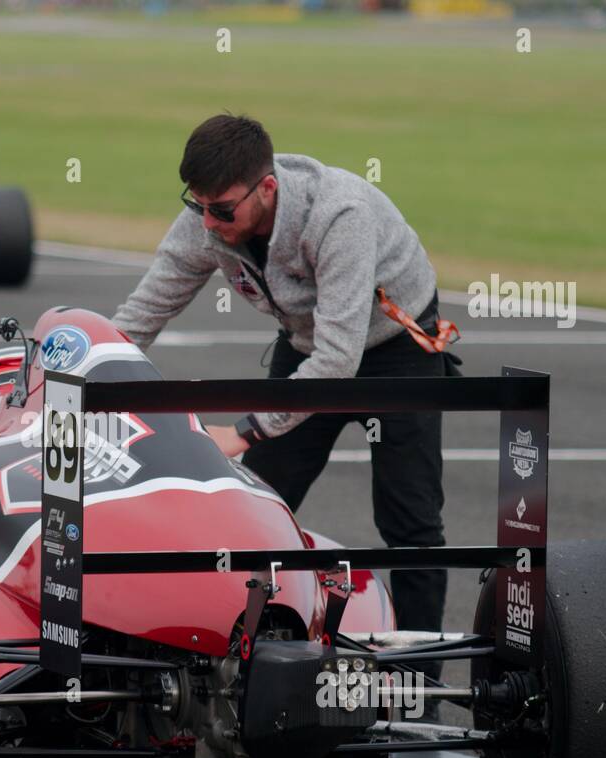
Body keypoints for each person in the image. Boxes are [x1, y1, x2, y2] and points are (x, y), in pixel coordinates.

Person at [110, 113, 461, 647]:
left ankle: (420, 687)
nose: (207, 222)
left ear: (267, 189)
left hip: (394, 354)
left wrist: (246, 430)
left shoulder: (339, 214)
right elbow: (144, 312)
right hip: (305, 348)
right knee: (255, 509)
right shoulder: (209, 216)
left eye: (221, 210)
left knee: (410, 528)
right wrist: (82, 370)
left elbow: (338, 361)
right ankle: (234, 666)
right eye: (196, 205)